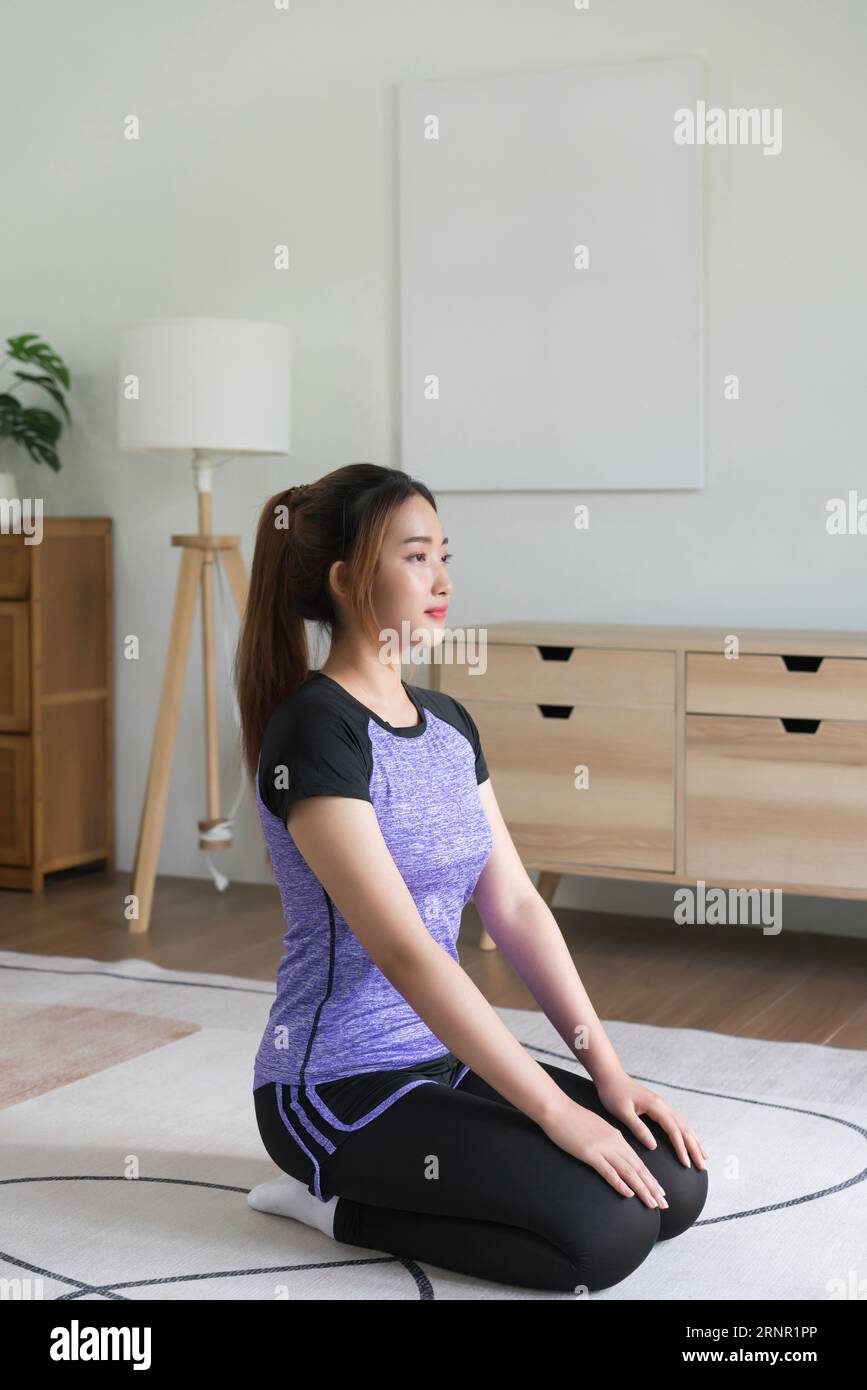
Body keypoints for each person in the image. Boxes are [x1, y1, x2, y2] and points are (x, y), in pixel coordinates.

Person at [233, 463, 709, 1293]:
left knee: (674, 1183)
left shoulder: (448, 723)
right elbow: (408, 953)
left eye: (443, 555)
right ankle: (334, 1207)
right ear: (347, 581)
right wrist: (555, 1115)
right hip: (337, 1087)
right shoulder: (315, 730)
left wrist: (605, 1074)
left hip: (441, 1060)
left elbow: (517, 906)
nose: (443, 579)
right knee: (605, 1238)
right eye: (416, 557)